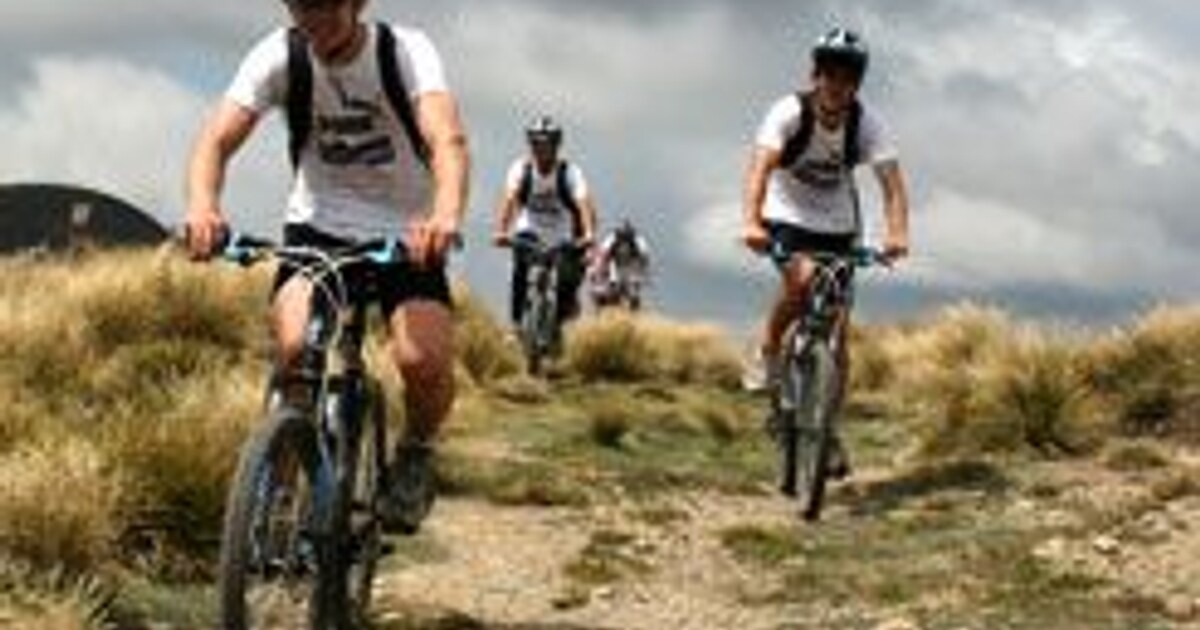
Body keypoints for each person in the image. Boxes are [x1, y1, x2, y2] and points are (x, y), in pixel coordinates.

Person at [185, 0, 470, 534]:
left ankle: (415, 451)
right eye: (299, 6)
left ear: (357, 3)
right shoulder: (279, 54)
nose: (311, 19)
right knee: (295, 351)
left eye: (325, 6)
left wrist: (445, 214)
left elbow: (446, 139)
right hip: (317, 227)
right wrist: (203, 206)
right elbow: (215, 140)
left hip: (406, 234)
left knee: (422, 362)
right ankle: (281, 492)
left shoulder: (404, 51)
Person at [741, 28, 910, 472]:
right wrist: (751, 221)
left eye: (847, 77)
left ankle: (828, 431)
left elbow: (892, 184)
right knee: (801, 281)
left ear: (856, 84)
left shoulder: (866, 122)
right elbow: (759, 169)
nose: (836, 85)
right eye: (829, 74)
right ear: (815, 75)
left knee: (837, 334)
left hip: (838, 223)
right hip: (786, 213)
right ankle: (769, 349)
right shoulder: (788, 112)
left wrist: (897, 234)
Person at [492, 116, 598, 328]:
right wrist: (500, 230)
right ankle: (515, 326)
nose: (541, 149)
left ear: (557, 145)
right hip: (530, 228)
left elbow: (584, 204)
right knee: (520, 270)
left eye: (546, 143)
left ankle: (558, 327)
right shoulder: (521, 169)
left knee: (566, 283)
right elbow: (509, 198)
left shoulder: (570, 172)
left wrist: (588, 235)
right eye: (535, 143)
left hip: (563, 232)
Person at [590, 219, 650, 310]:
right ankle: (604, 303)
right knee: (608, 285)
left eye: (627, 237)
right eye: (622, 236)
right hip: (613, 262)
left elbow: (644, 257)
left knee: (633, 289)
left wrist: (642, 273)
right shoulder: (612, 238)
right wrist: (600, 270)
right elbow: (603, 254)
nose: (624, 244)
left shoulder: (638, 240)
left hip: (630, 264)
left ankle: (633, 307)